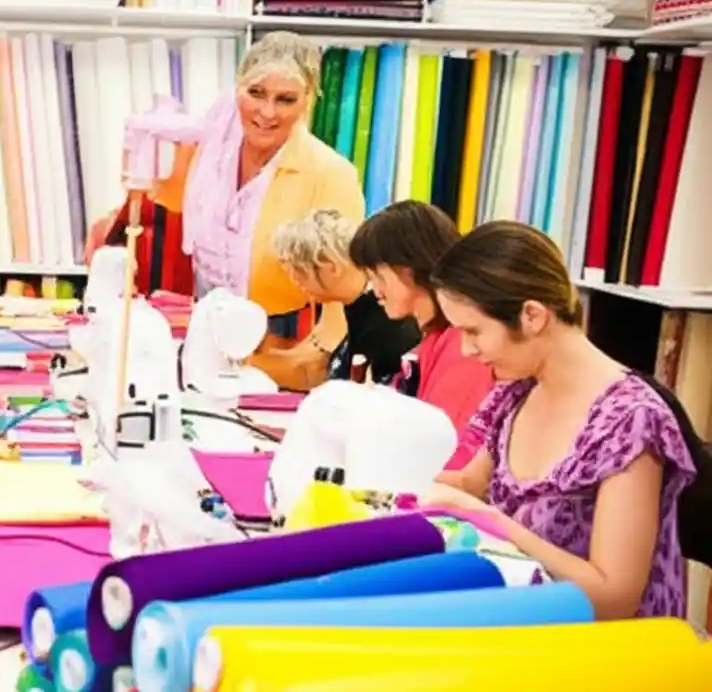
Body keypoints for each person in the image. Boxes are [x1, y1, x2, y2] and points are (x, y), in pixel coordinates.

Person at [426, 221, 696, 620]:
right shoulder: (517, 392)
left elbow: (614, 598)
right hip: (533, 628)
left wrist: (492, 522)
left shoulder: (630, 422)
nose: (466, 350)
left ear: (532, 315)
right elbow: (470, 483)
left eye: (474, 331)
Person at [86, 31, 366, 385]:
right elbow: (162, 204)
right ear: (238, 88)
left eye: (286, 99)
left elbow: (343, 304)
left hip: (280, 355)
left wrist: (284, 367)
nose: (267, 112)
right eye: (256, 93)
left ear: (309, 99)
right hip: (199, 336)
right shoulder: (210, 146)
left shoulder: (331, 175)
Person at [348, 200, 493, 469]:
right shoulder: (436, 338)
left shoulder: (461, 346)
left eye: (377, 275)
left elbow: (444, 455)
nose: (374, 289)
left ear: (407, 269)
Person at [269, 209, 421, 388]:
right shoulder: (363, 312)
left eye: (299, 270)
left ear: (331, 267)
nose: (294, 280)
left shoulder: (389, 323)